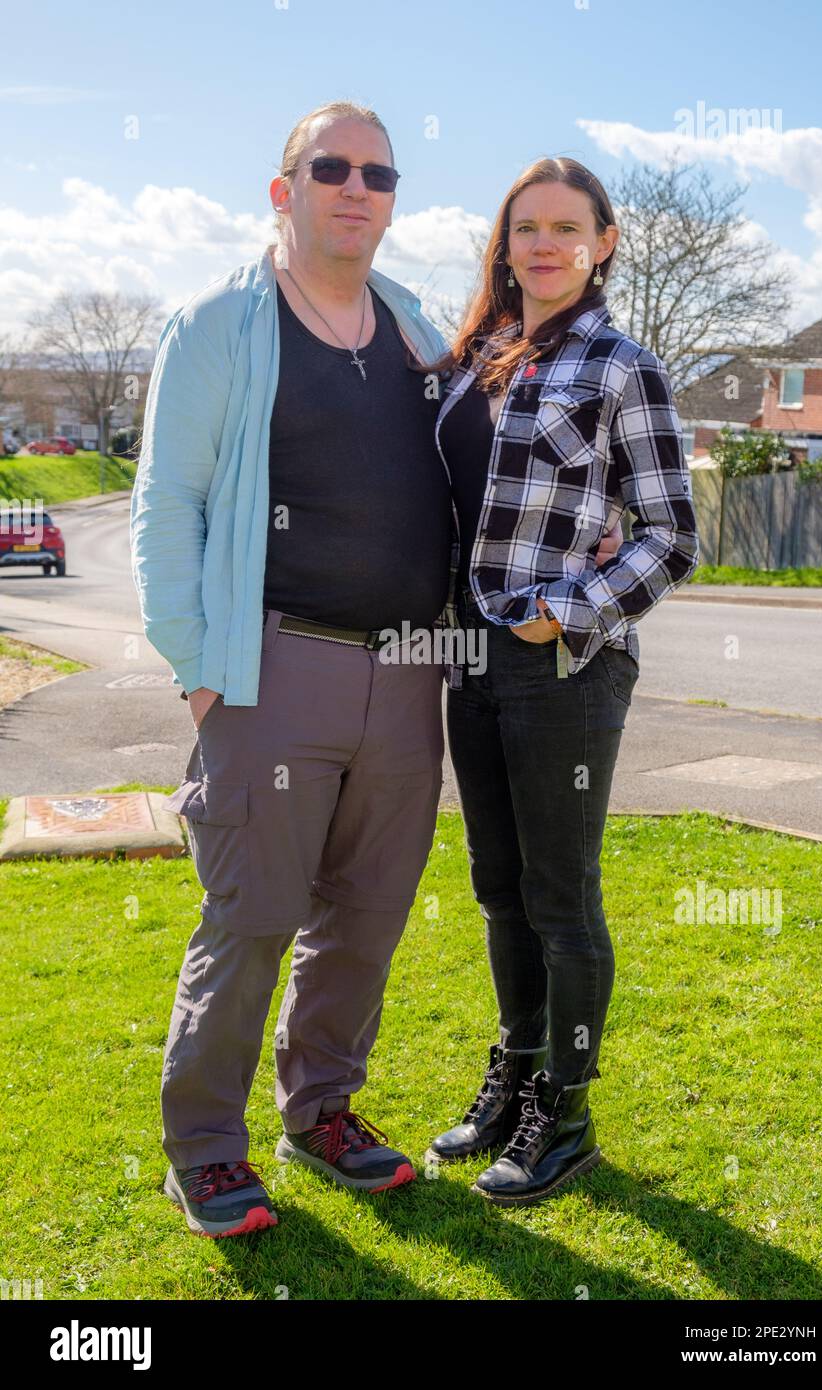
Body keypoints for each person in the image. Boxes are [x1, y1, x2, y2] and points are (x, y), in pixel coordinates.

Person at [131, 101, 457, 1237]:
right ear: (285, 190)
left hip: (411, 674)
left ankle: (320, 1110)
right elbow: (165, 498)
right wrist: (196, 665)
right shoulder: (221, 322)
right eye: (331, 167)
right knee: (254, 912)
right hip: (270, 670)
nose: (355, 186)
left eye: (377, 171)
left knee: (365, 916)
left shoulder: (417, 326)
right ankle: (206, 1148)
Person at [424, 157, 700, 1206]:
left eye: (563, 227)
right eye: (523, 226)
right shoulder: (474, 359)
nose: (541, 244)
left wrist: (567, 610)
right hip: (469, 658)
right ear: (502, 242)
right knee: (499, 891)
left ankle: (565, 1113)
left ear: (601, 242)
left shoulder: (620, 365)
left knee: (559, 897)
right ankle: (515, 1074)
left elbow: (673, 537)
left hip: (563, 666)